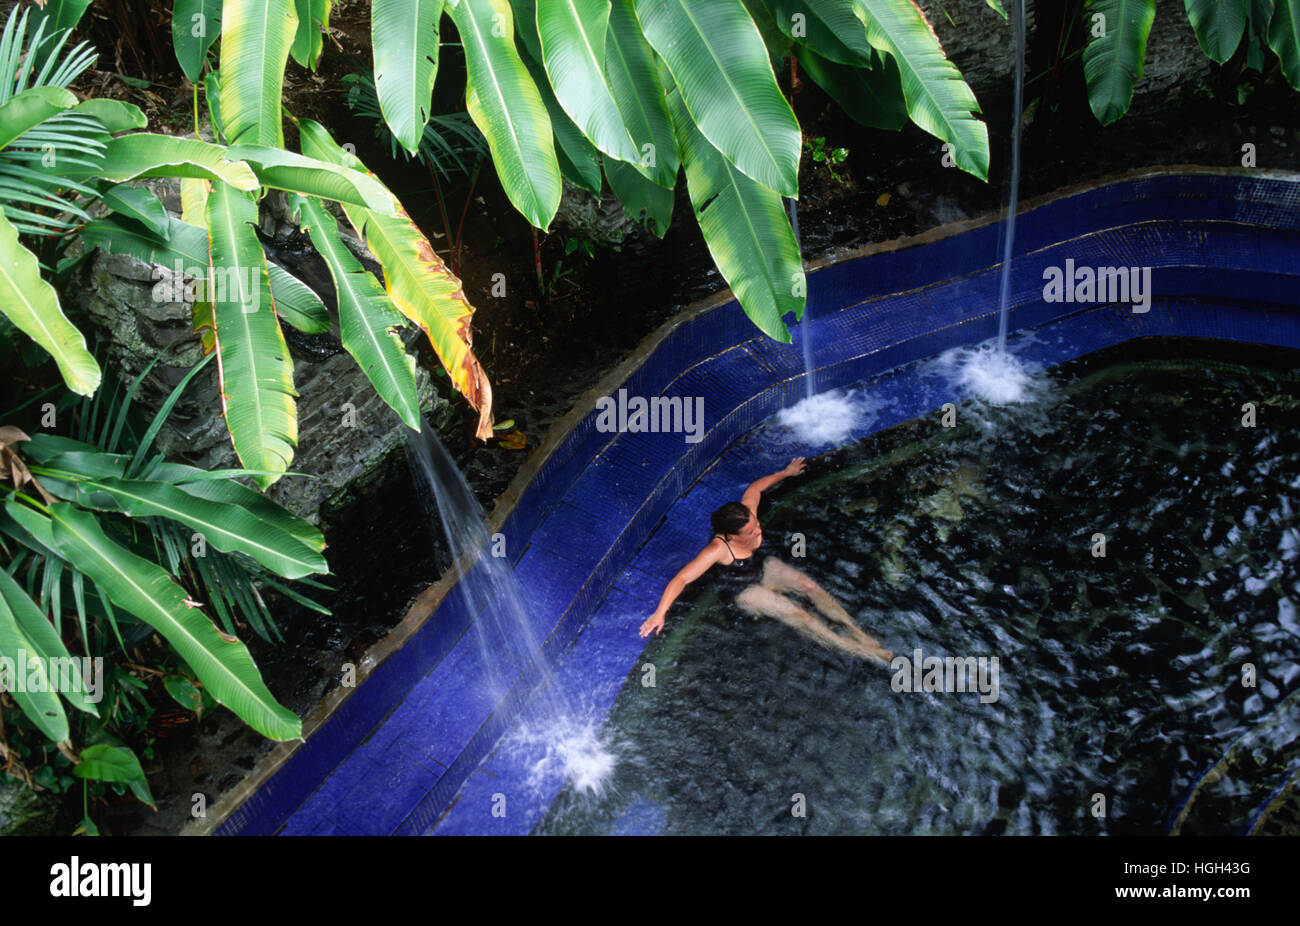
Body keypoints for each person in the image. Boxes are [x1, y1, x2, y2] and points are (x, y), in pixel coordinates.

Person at [638, 457, 893, 664]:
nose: (758, 529)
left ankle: (857, 632)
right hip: (742, 588)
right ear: (731, 535)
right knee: (801, 616)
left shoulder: (748, 514)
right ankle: (858, 650)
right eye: (751, 531)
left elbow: (755, 489)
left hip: (761, 567)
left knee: (809, 586)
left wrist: (786, 473)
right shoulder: (718, 549)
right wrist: (660, 613)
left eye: (756, 524)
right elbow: (682, 578)